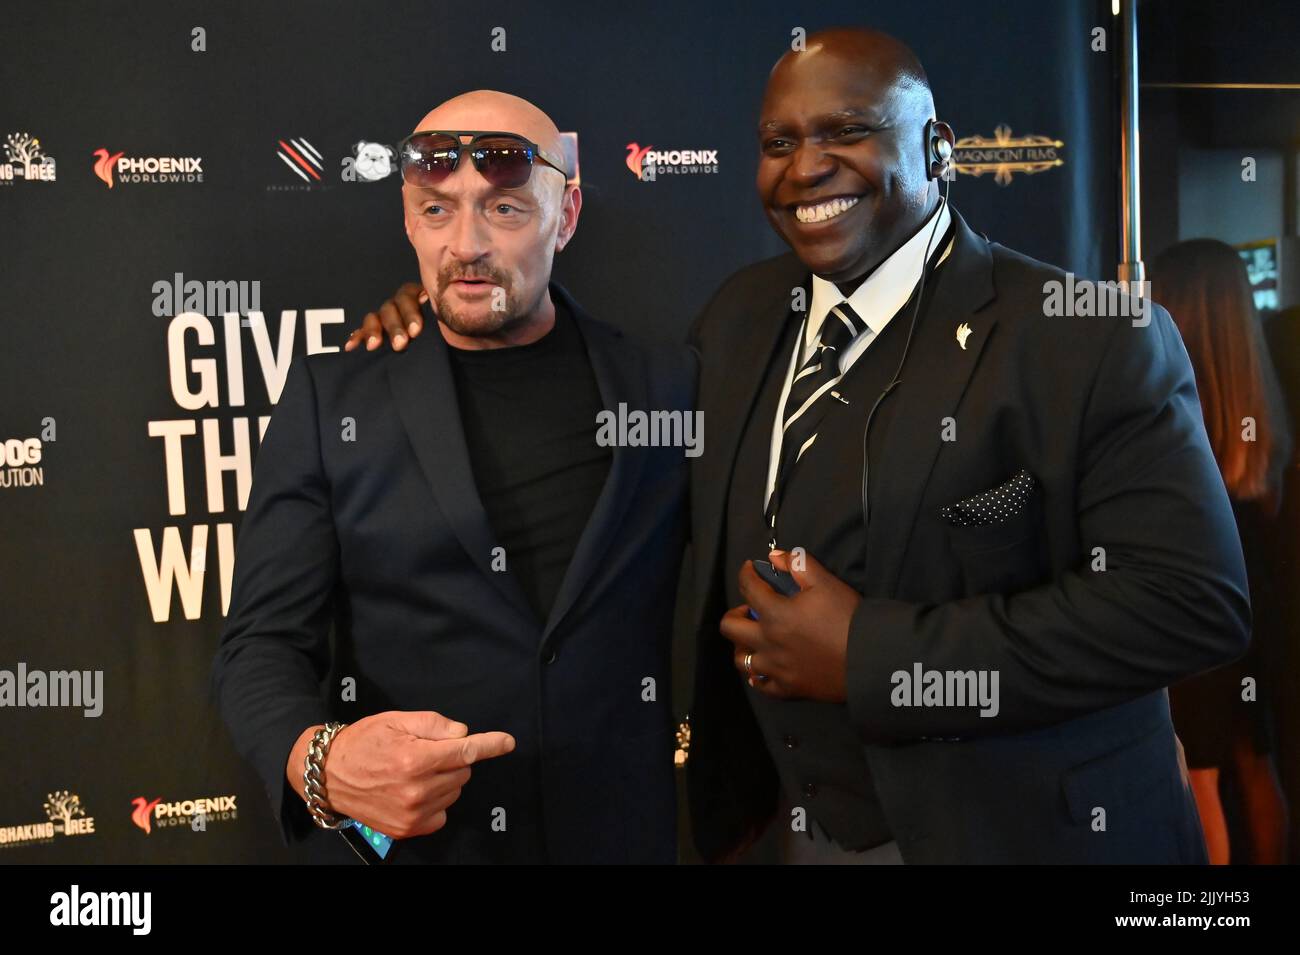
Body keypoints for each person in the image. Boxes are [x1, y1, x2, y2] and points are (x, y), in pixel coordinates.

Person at [357, 30, 1250, 864]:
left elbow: (1189, 603)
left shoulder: (1089, 337)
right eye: (777, 142)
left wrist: (873, 655)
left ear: (937, 147)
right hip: (787, 836)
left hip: (1030, 838)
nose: (806, 167)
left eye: (847, 131)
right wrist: (446, 306)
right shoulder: (741, 317)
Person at [211, 91, 695, 864]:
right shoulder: (329, 400)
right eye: (437, 210)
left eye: (504, 209)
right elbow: (260, 646)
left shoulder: (670, 386)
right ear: (408, 217)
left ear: (565, 215)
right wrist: (323, 763)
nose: (465, 244)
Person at [1151, 238, 1291, 864]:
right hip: (1258, 603)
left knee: (1200, 778)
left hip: (1198, 597)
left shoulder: (1176, 403)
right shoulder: (1259, 397)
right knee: (1254, 761)